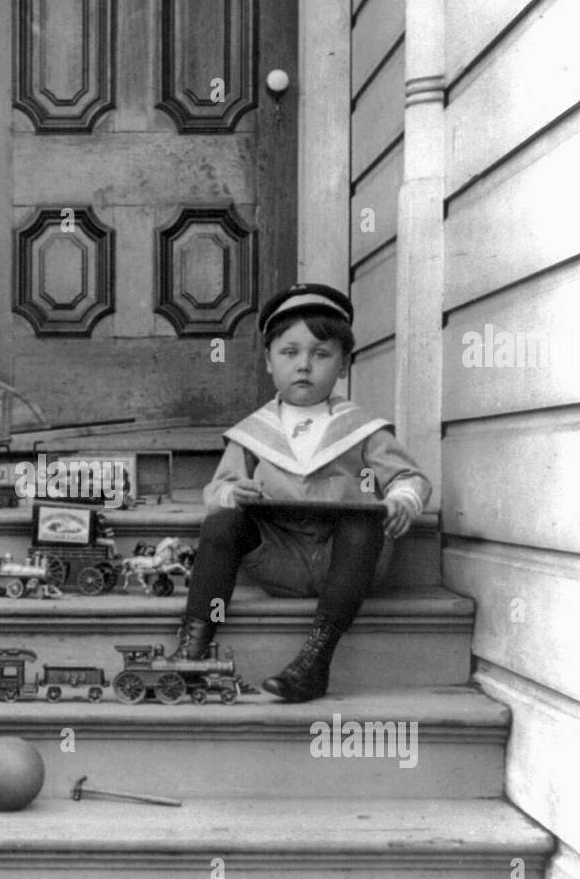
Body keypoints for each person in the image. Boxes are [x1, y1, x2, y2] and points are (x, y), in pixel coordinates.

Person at [169, 283, 431, 702]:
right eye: (289, 353)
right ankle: (193, 647)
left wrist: (402, 499)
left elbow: (408, 477)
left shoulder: (361, 428)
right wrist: (234, 495)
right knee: (223, 522)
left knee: (363, 519)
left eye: (321, 354)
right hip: (279, 556)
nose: (304, 366)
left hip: (344, 560)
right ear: (269, 362)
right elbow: (218, 487)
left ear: (344, 364)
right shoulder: (254, 432)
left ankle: (314, 660)